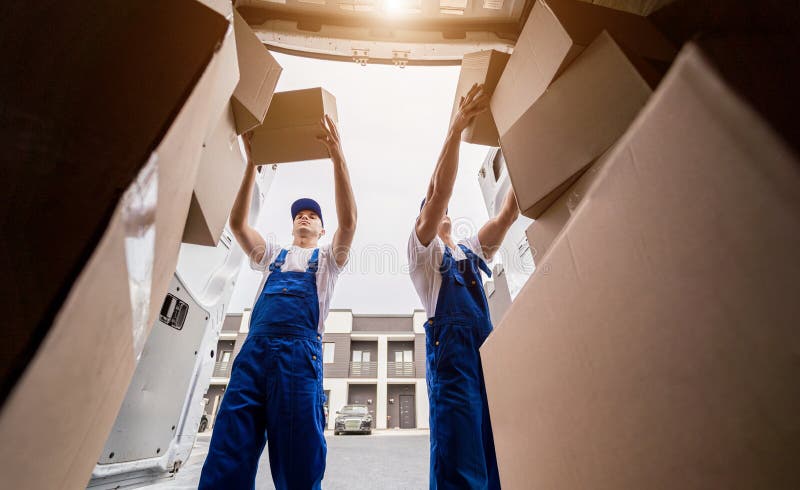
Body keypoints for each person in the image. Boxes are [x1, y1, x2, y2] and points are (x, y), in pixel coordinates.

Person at [199, 115, 356, 489]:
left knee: (299, 465)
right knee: (227, 454)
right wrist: (252, 164)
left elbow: (349, 223)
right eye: (299, 214)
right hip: (254, 358)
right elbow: (238, 225)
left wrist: (337, 157)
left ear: (321, 230)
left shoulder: (328, 263)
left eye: (313, 215)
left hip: (299, 361)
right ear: (292, 227)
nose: (305, 216)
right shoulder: (272, 255)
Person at [408, 83, 520, 489]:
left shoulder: (471, 252)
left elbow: (508, 213)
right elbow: (439, 190)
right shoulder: (423, 255)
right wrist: (455, 129)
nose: (441, 208)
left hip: (484, 361)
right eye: (433, 207)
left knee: (493, 461)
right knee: (458, 462)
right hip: (452, 364)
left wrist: (518, 131)